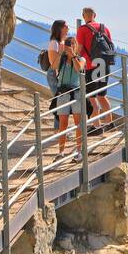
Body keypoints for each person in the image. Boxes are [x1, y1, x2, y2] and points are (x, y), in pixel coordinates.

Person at [50, 25, 86, 160]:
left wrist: (72, 55)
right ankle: (61, 152)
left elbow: (79, 69)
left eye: (71, 44)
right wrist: (60, 53)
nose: (69, 46)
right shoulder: (62, 59)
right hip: (63, 93)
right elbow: (53, 66)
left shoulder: (81, 59)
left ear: (75, 46)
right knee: (63, 123)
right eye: (67, 44)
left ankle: (79, 151)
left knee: (78, 123)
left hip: (76, 93)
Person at [77, 8, 114, 131]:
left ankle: (96, 126)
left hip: (91, 66)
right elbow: (110, 46)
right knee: (102, 95)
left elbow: (80, 49)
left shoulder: (82, 30)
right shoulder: (104, 28)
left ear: (83, 16)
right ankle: (109, 123)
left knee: (91, 97)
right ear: (95, 15)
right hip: (104, 64)